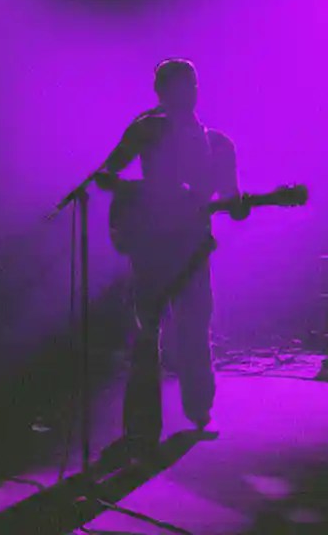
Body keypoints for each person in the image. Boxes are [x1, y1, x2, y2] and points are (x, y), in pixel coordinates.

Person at [93, 58, 247, 461]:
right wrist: (139, 192)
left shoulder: (218, 145)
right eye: (174, 87)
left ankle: (198, 411)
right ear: (160, 93)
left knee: (194, 328)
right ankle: (143, 428)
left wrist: (239, 206)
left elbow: (231, 198)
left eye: (188, 86)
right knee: (148, 335)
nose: (183, 94)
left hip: (194, 248)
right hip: (152, 246)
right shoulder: (146, 129)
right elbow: (106, 173)